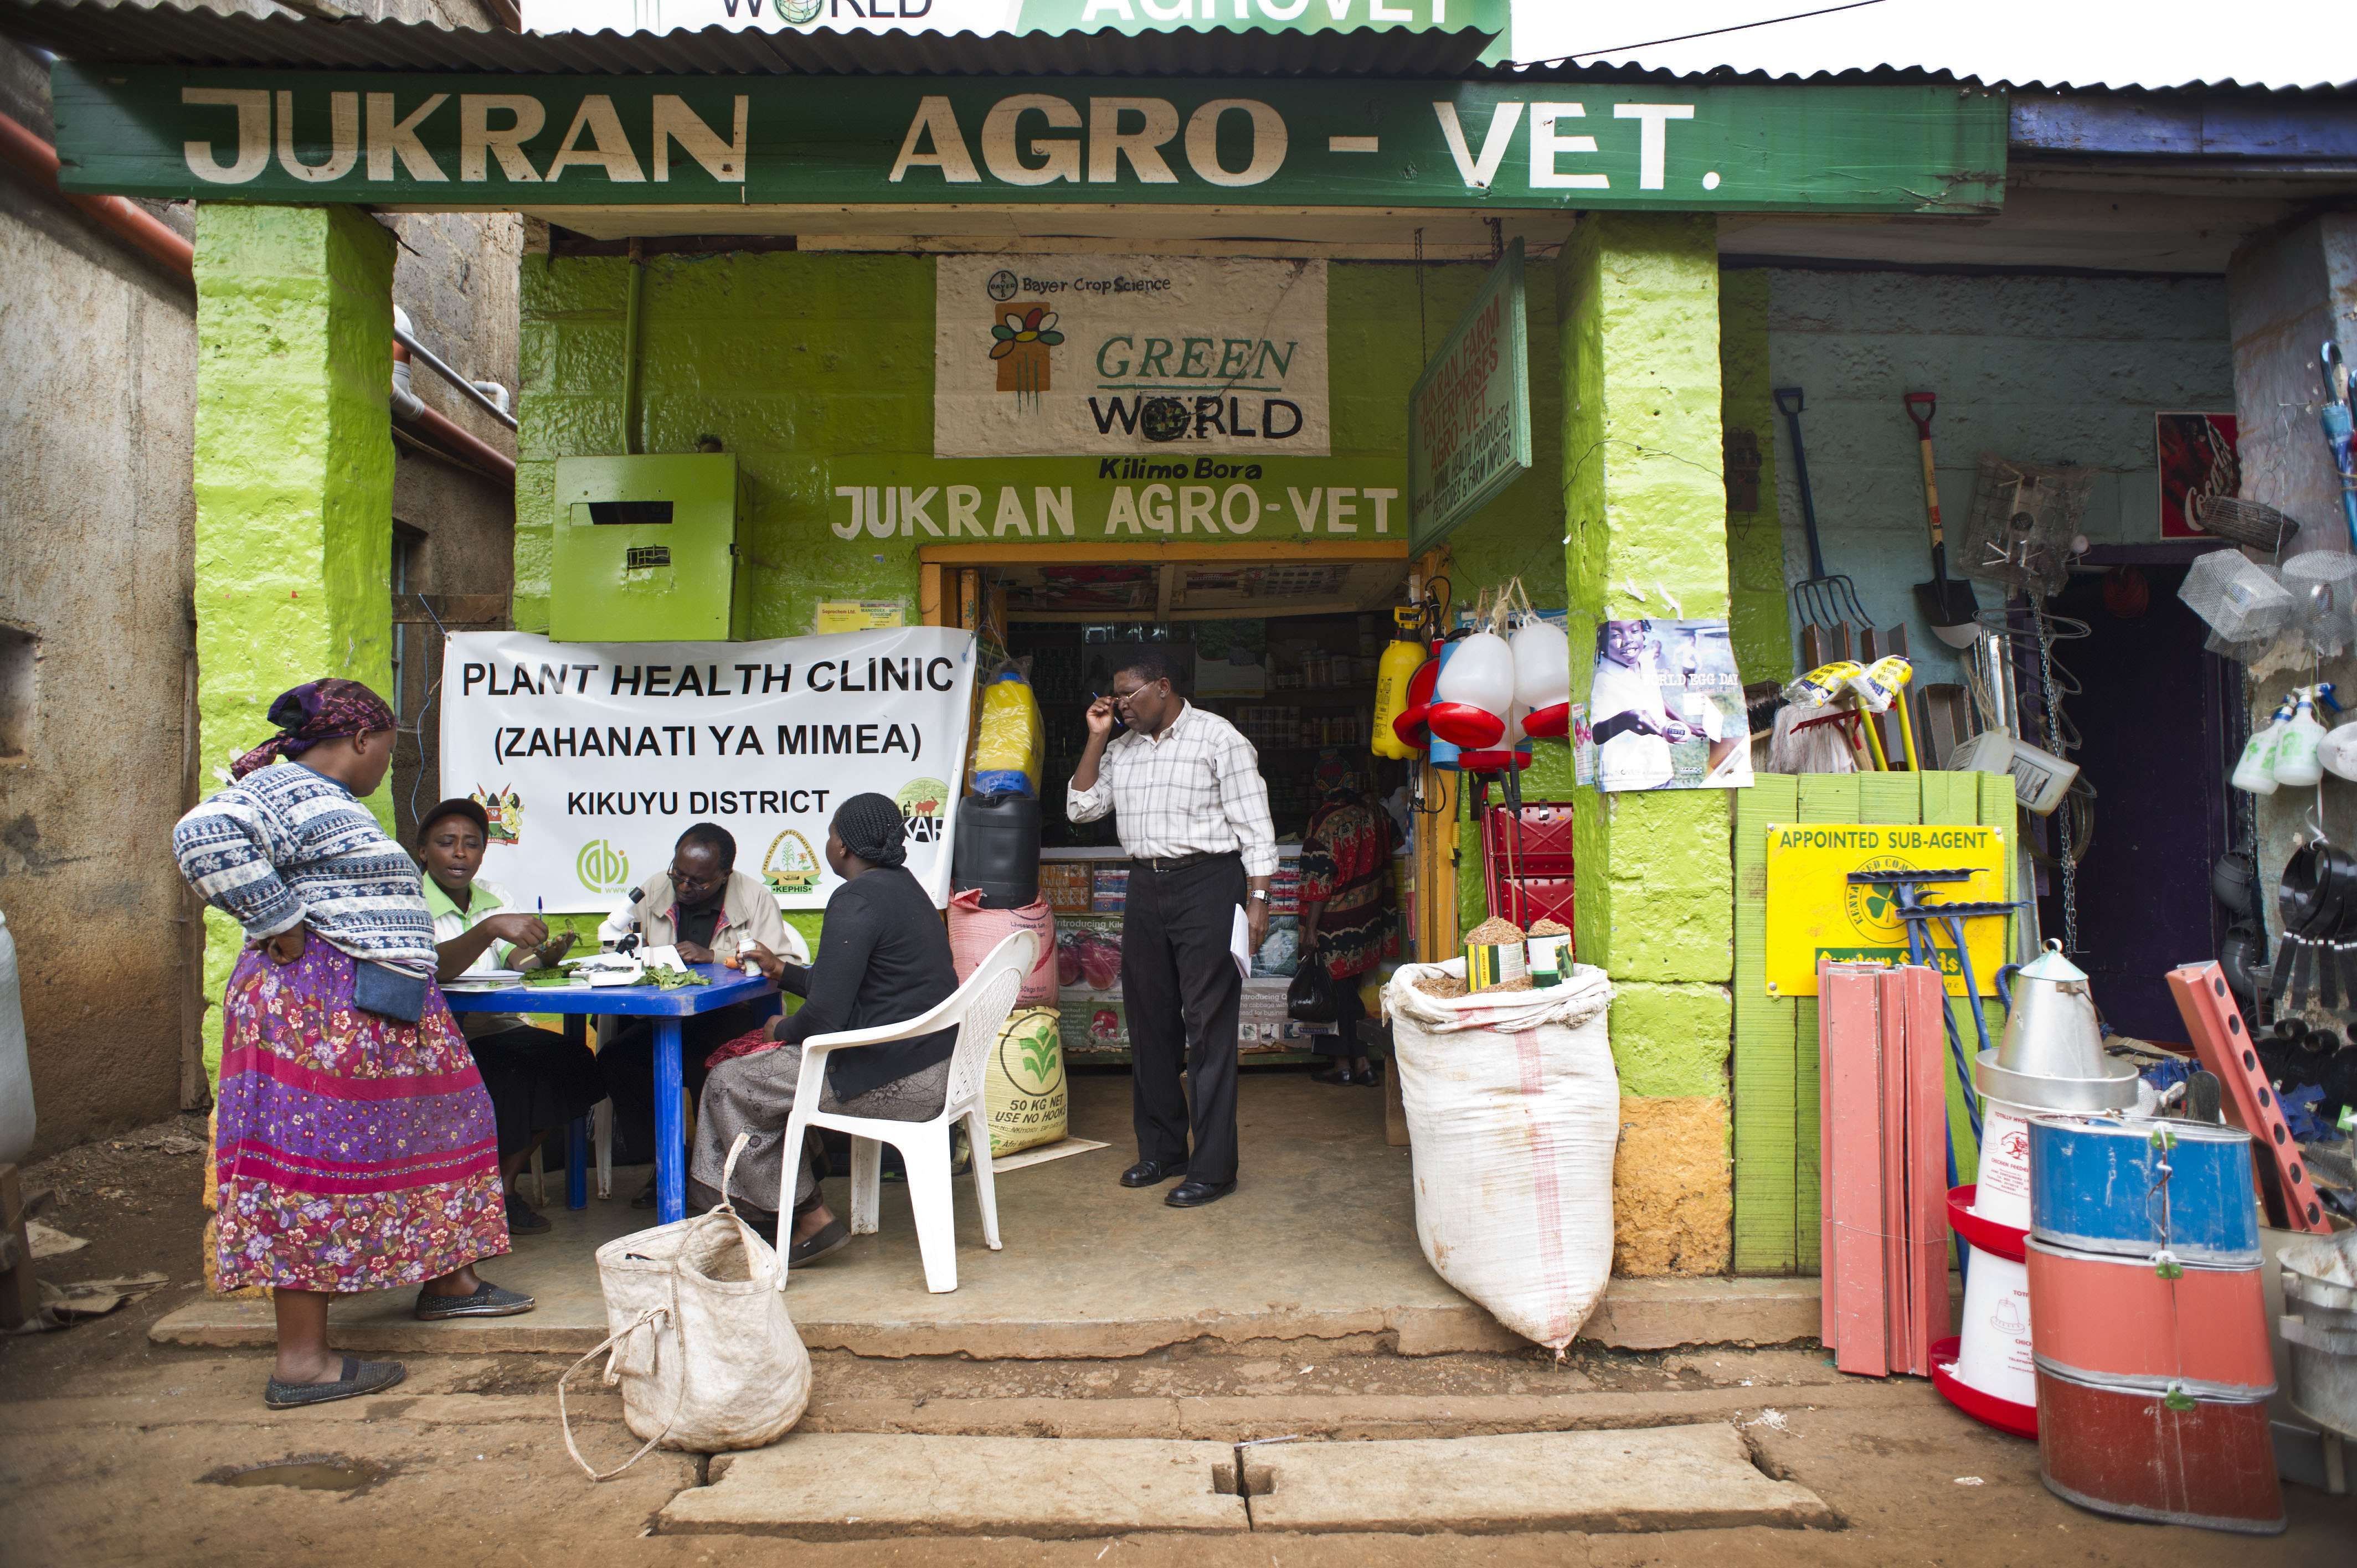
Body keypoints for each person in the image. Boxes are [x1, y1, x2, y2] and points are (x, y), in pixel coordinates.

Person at [171, 679, 533, 1411]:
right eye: (388, 753)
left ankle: (449, 1279)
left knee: (449, 1123)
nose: (386, 767)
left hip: (375, 1007)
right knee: (312, 1164)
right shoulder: (289, 788)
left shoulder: (327, 801)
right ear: (362, 740)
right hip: (320, 1013)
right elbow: (201, 836)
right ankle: (303, 1363)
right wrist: (278, 920)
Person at [688, 794, 961, 1262]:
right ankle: (785, 1200)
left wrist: (779, 1029)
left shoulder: (854, 899)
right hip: (933, 1063)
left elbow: (823, 1020)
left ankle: (808, 1216)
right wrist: (783, 972)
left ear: (844, 847)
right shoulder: (905, 888)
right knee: (763, 1077)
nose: (829, 842)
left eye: (832, 833)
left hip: (895, 1078)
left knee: (728, 1081)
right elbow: (854, 980)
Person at [1069, 644, 1276, 1209]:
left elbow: (1257, 830)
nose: (1118, 705)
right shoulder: (1121, 749)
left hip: (1209, 883)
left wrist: (1258, 901)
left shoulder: (1219, 739)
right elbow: (1081, 809)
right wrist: (1096, 737)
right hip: (1146, 886)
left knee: (1208, 1026)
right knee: (1149, 1021)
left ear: (1162, 686)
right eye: (1113, 696)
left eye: (1126, 694)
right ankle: (1163, 1150)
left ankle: (1213, 1168)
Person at [417, 797, 604, 1237]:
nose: (460, 853)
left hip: (497, 1027)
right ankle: (483, 1193)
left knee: (572, 1060)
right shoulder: (411, 900)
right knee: (513, 1077)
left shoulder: (495, 897)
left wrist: (544, 957)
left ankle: (501, 1188)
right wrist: (489, 929)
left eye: (472, 844)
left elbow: (515, 959)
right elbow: (436, 967)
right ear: (423, 851)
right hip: (439, 1039)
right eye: (446, 843)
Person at [596, 822, 796, 1206]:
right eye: (679, 874)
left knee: (712, 1065)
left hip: (733, 1017)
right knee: (618, 1061)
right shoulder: (656, 888)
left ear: (725, 875)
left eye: (698, 882)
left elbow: (782, 964)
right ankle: (671, 1162)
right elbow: (618, 947)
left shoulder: (755, 898)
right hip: (668, 1020)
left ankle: (721, 1174)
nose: (684, 887)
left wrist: (715, 957)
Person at [1296, 757, 1399, 1087]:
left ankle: (1343, 1065)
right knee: (1349, 989)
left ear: (1321, 787)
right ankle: (1361, 1064)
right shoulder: (1374, 813)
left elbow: (1318, 880)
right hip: (1367, 919)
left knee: (1337, 993)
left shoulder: (1324, 822)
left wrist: (1311, 931)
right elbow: (1398, 841)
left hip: (1334, 923)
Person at [1588, 619, 1689, 791]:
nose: (1628, 640)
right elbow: (1597, 734)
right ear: (1602, 642)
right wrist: (1625, 720)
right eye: (1615, 635)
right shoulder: (1603, 679)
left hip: (1660, 770)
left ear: (1643, 633)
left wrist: (1684, 722)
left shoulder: (1646, 662)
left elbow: (1654, 698)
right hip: (1627, 781)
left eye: (1635, 631)